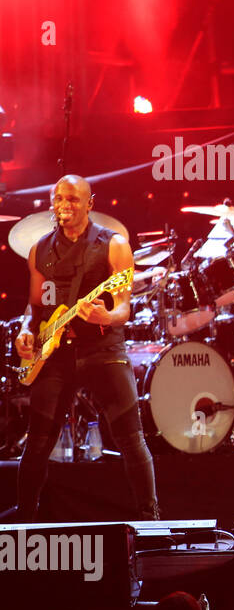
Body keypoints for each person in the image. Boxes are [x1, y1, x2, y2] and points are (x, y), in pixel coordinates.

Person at [3, 175, 159, 522]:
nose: (64, 206)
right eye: (58, 199)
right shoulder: (40, 249)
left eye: (73, 199)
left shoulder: (113, 245)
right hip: (55, 353)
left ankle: (150, 518)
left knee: (131, 439)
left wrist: (108, 313)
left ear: (90, 203)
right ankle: (27, 516)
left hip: (102, 348)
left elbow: (123, 307)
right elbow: (35, 307)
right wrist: (28, 331)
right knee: (38, 443)